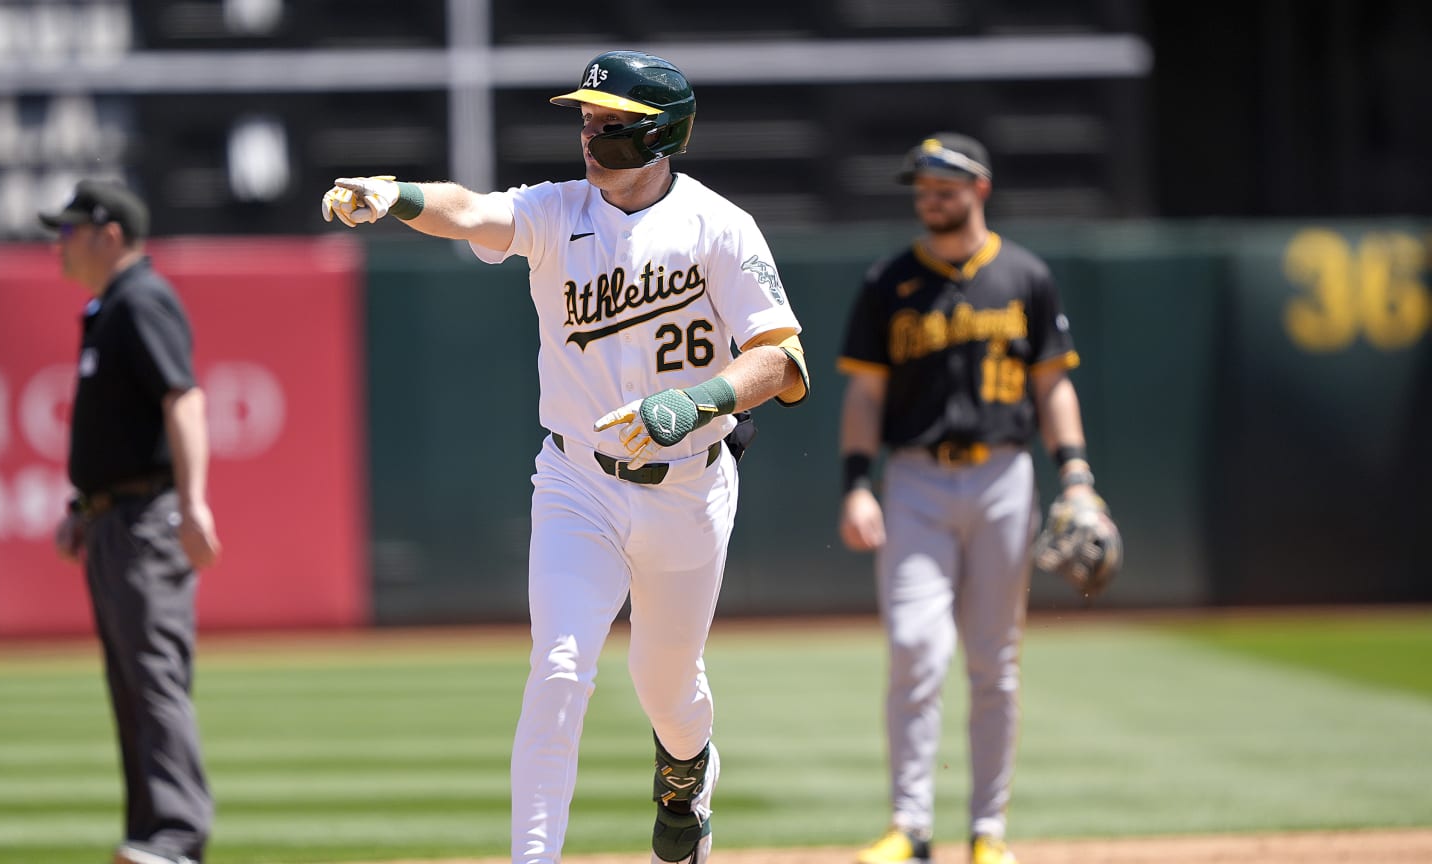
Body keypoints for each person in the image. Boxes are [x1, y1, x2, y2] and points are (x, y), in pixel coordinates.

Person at [321, 50, 809, 864]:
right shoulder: (557, 210)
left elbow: (784, 360)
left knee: (667, 686)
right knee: (558, 669)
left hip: (689, 489)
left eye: (610, 123)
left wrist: (695, 402)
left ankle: (686, 772)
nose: (589, 136)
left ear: (660, 136)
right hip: (578, 479)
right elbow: (470, 212)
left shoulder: (719, 226)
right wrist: (394, 194)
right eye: (585, 120)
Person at [836, 133, 1103, 864]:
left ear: (980, 188)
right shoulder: (889, 280)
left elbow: (1053, 384)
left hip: (1003, 477)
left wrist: (1076, 474)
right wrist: (856, 483)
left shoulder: (1024, 275)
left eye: (944, 186)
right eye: (922, 187)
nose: (929, 197)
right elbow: (865, 394)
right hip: (914, 480)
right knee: (914, 649)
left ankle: (988, 832)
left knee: (994, 661)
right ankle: (911, 826)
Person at [42, 178, 222, 864]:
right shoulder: (108, 308)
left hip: (147, 519)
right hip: (114, 519)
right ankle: (153, 836)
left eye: (69, 230)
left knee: (153, 675)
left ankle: (176, 837)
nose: (59, 244)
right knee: (131, 685)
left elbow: (183, 398)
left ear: (108, 233)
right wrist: (82, 506)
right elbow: (117, 429)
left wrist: (193, 502)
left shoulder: (141, 298)